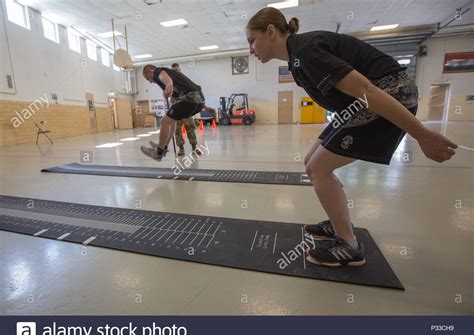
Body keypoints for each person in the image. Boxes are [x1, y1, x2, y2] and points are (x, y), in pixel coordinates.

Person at [246, 8, 457, 267]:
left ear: (270, 31)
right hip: (361, 103)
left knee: (318, 168)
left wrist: (421, 134)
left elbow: (367, 90)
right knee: (311, 160)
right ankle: (339, 222)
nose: (251, 49)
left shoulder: (307, 50)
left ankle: (349, 244)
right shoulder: (296, 60)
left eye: (251, 40)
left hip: (390, 92)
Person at [141, 64, 213, 160]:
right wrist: (205, 107)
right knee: (172, 121)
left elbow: (164, 76)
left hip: (190, 100)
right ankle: (163, 147)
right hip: (198, 101)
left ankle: (159, 152)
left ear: (150, 71)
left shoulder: (157, 71)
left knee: (164, 121)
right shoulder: (172, 78)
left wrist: (168, 84)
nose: (150, 81)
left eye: (147, 78)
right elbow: (178, 94)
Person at [170, 63, 202, 156]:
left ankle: (194, 148)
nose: (176, 72)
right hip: (177, 112)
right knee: (177, 131)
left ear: (180, 70)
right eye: (174, 71)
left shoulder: (186, 81)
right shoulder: (170, 83)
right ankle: (181, 149)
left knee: (191, 129)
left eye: (177, 70)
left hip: (187, 111)